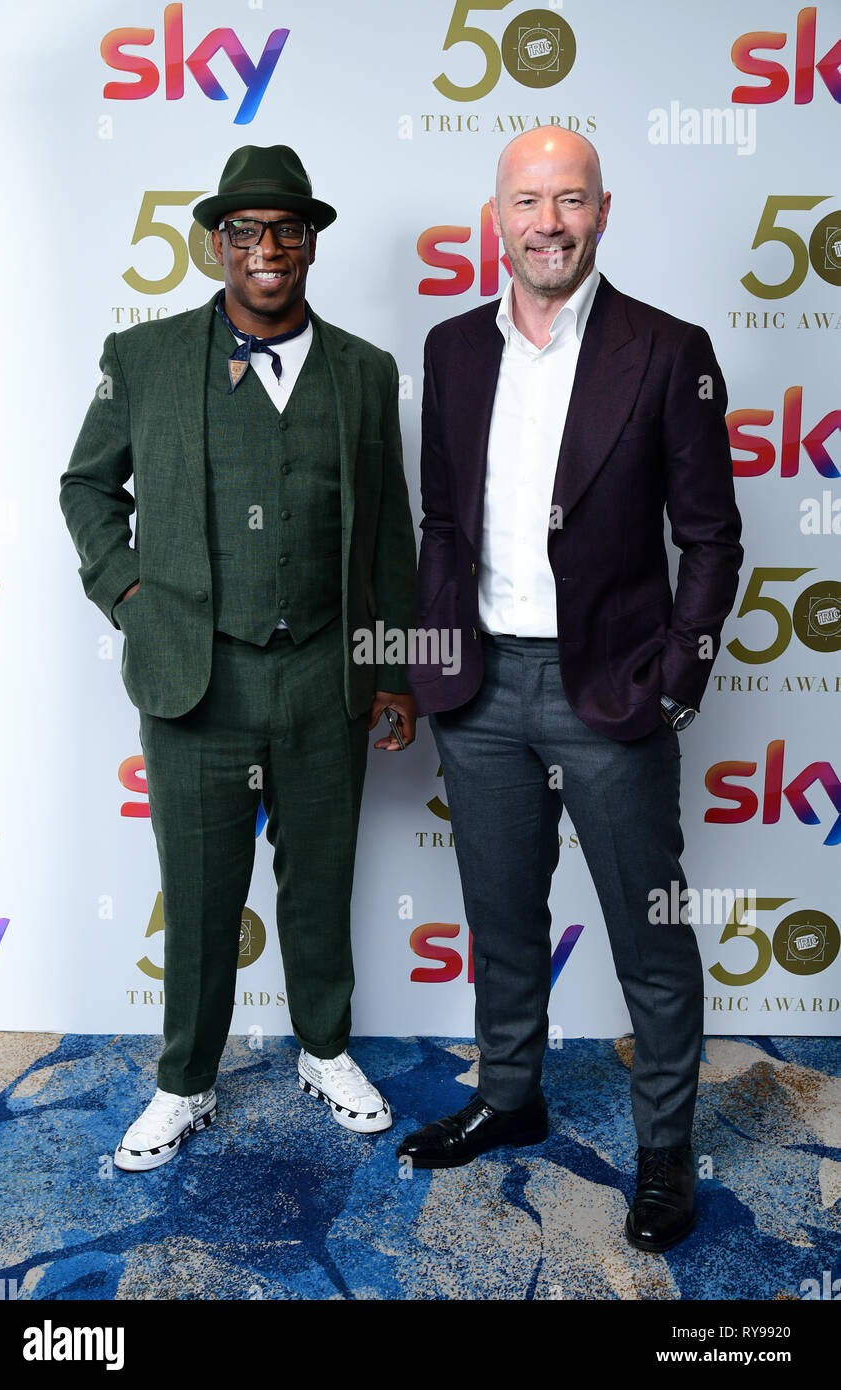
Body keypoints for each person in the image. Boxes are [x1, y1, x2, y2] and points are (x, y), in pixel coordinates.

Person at [399, 127, 743, 1253]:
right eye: (528, 200)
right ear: (495, 214)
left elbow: (708, 536)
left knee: (650, 936)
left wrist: (675, 679)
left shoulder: (667, 349)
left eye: (571, 200)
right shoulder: (451, 349)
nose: (548, 221)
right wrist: (431, 653)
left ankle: (661, 1156)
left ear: (604, 211)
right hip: (480, 687)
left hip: (612, 690)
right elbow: (441, 521)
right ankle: (512, 1095)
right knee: (502, 915)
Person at [61, 144, 417, 1171]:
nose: (267, 249)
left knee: (321, 877)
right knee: (204, 886)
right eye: (246, 232)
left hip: (321, 670)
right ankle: (185, 1079)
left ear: (311, 244)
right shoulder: (144, 359)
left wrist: (390, 667)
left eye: (287, 230)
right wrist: (126, 591)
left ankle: (326, 1048)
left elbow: (390, 528)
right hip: (194, 672)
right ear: (217, 245)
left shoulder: (364, 370)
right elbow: (87, 487)